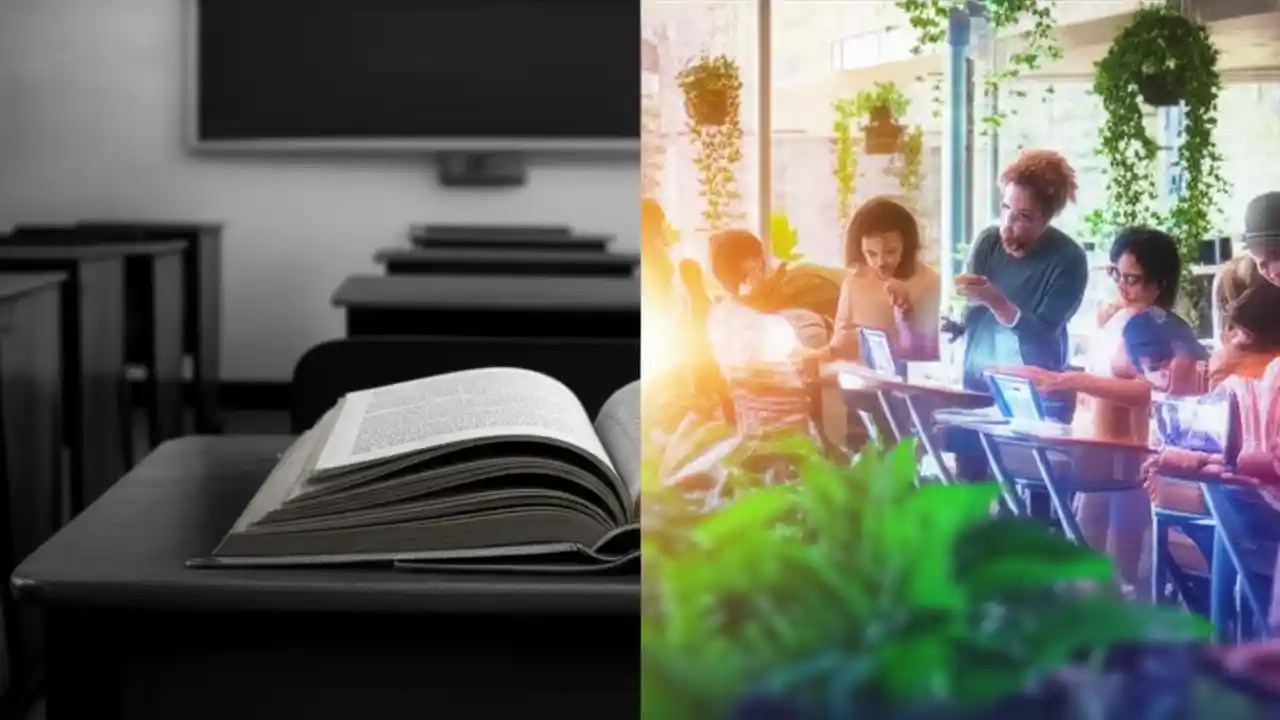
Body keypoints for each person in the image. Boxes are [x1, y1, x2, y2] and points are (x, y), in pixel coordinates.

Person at [1021, 227, 1207, 595]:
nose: (1122, 286)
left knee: (1119, 577)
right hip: (1100, 456)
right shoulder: (1120, 319)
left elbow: (1148, 392)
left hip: (1126, 465)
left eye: (1133, 279)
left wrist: (1069, 382)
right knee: (1088, 568)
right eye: (1116, 274)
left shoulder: (1152, 325)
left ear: (1159, 283)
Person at [828, 196, 941, 362]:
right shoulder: (853, 284)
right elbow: (839, 344)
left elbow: (931, 353)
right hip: (860, 381)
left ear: (907, 247)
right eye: (871, 254)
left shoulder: (930, 283)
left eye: (890, 252)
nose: (880, 263)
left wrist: (905, 316)